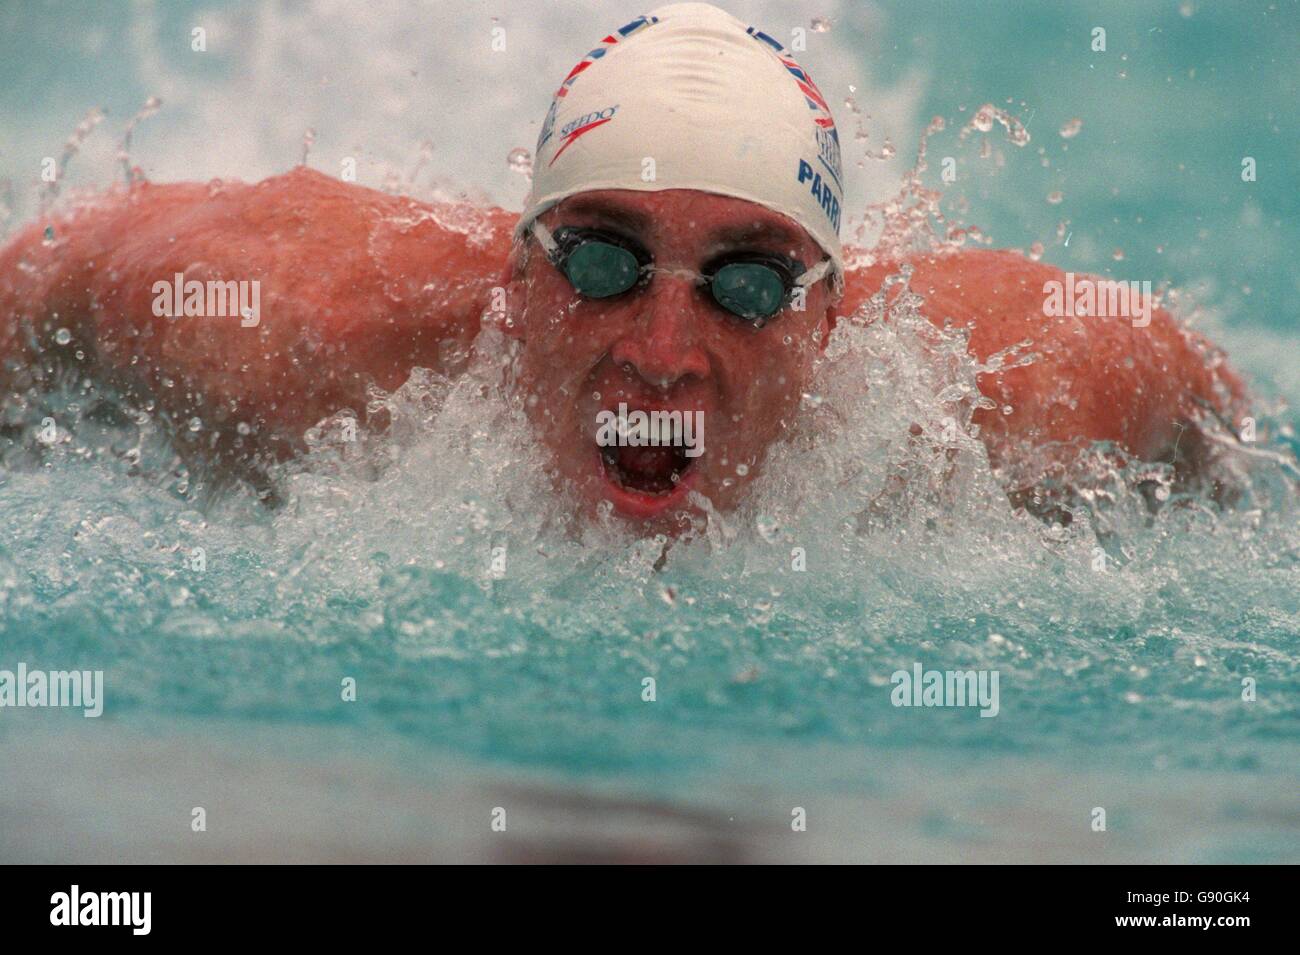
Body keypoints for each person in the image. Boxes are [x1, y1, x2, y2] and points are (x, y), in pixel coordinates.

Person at [0, 2, 1246, 527]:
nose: (659, 355)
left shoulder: (1000, 409)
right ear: (512, 279)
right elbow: (50, 273)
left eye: (749, 284)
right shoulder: (305, 334)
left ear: (826, 324)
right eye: (599, 261)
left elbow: (1217, 407)